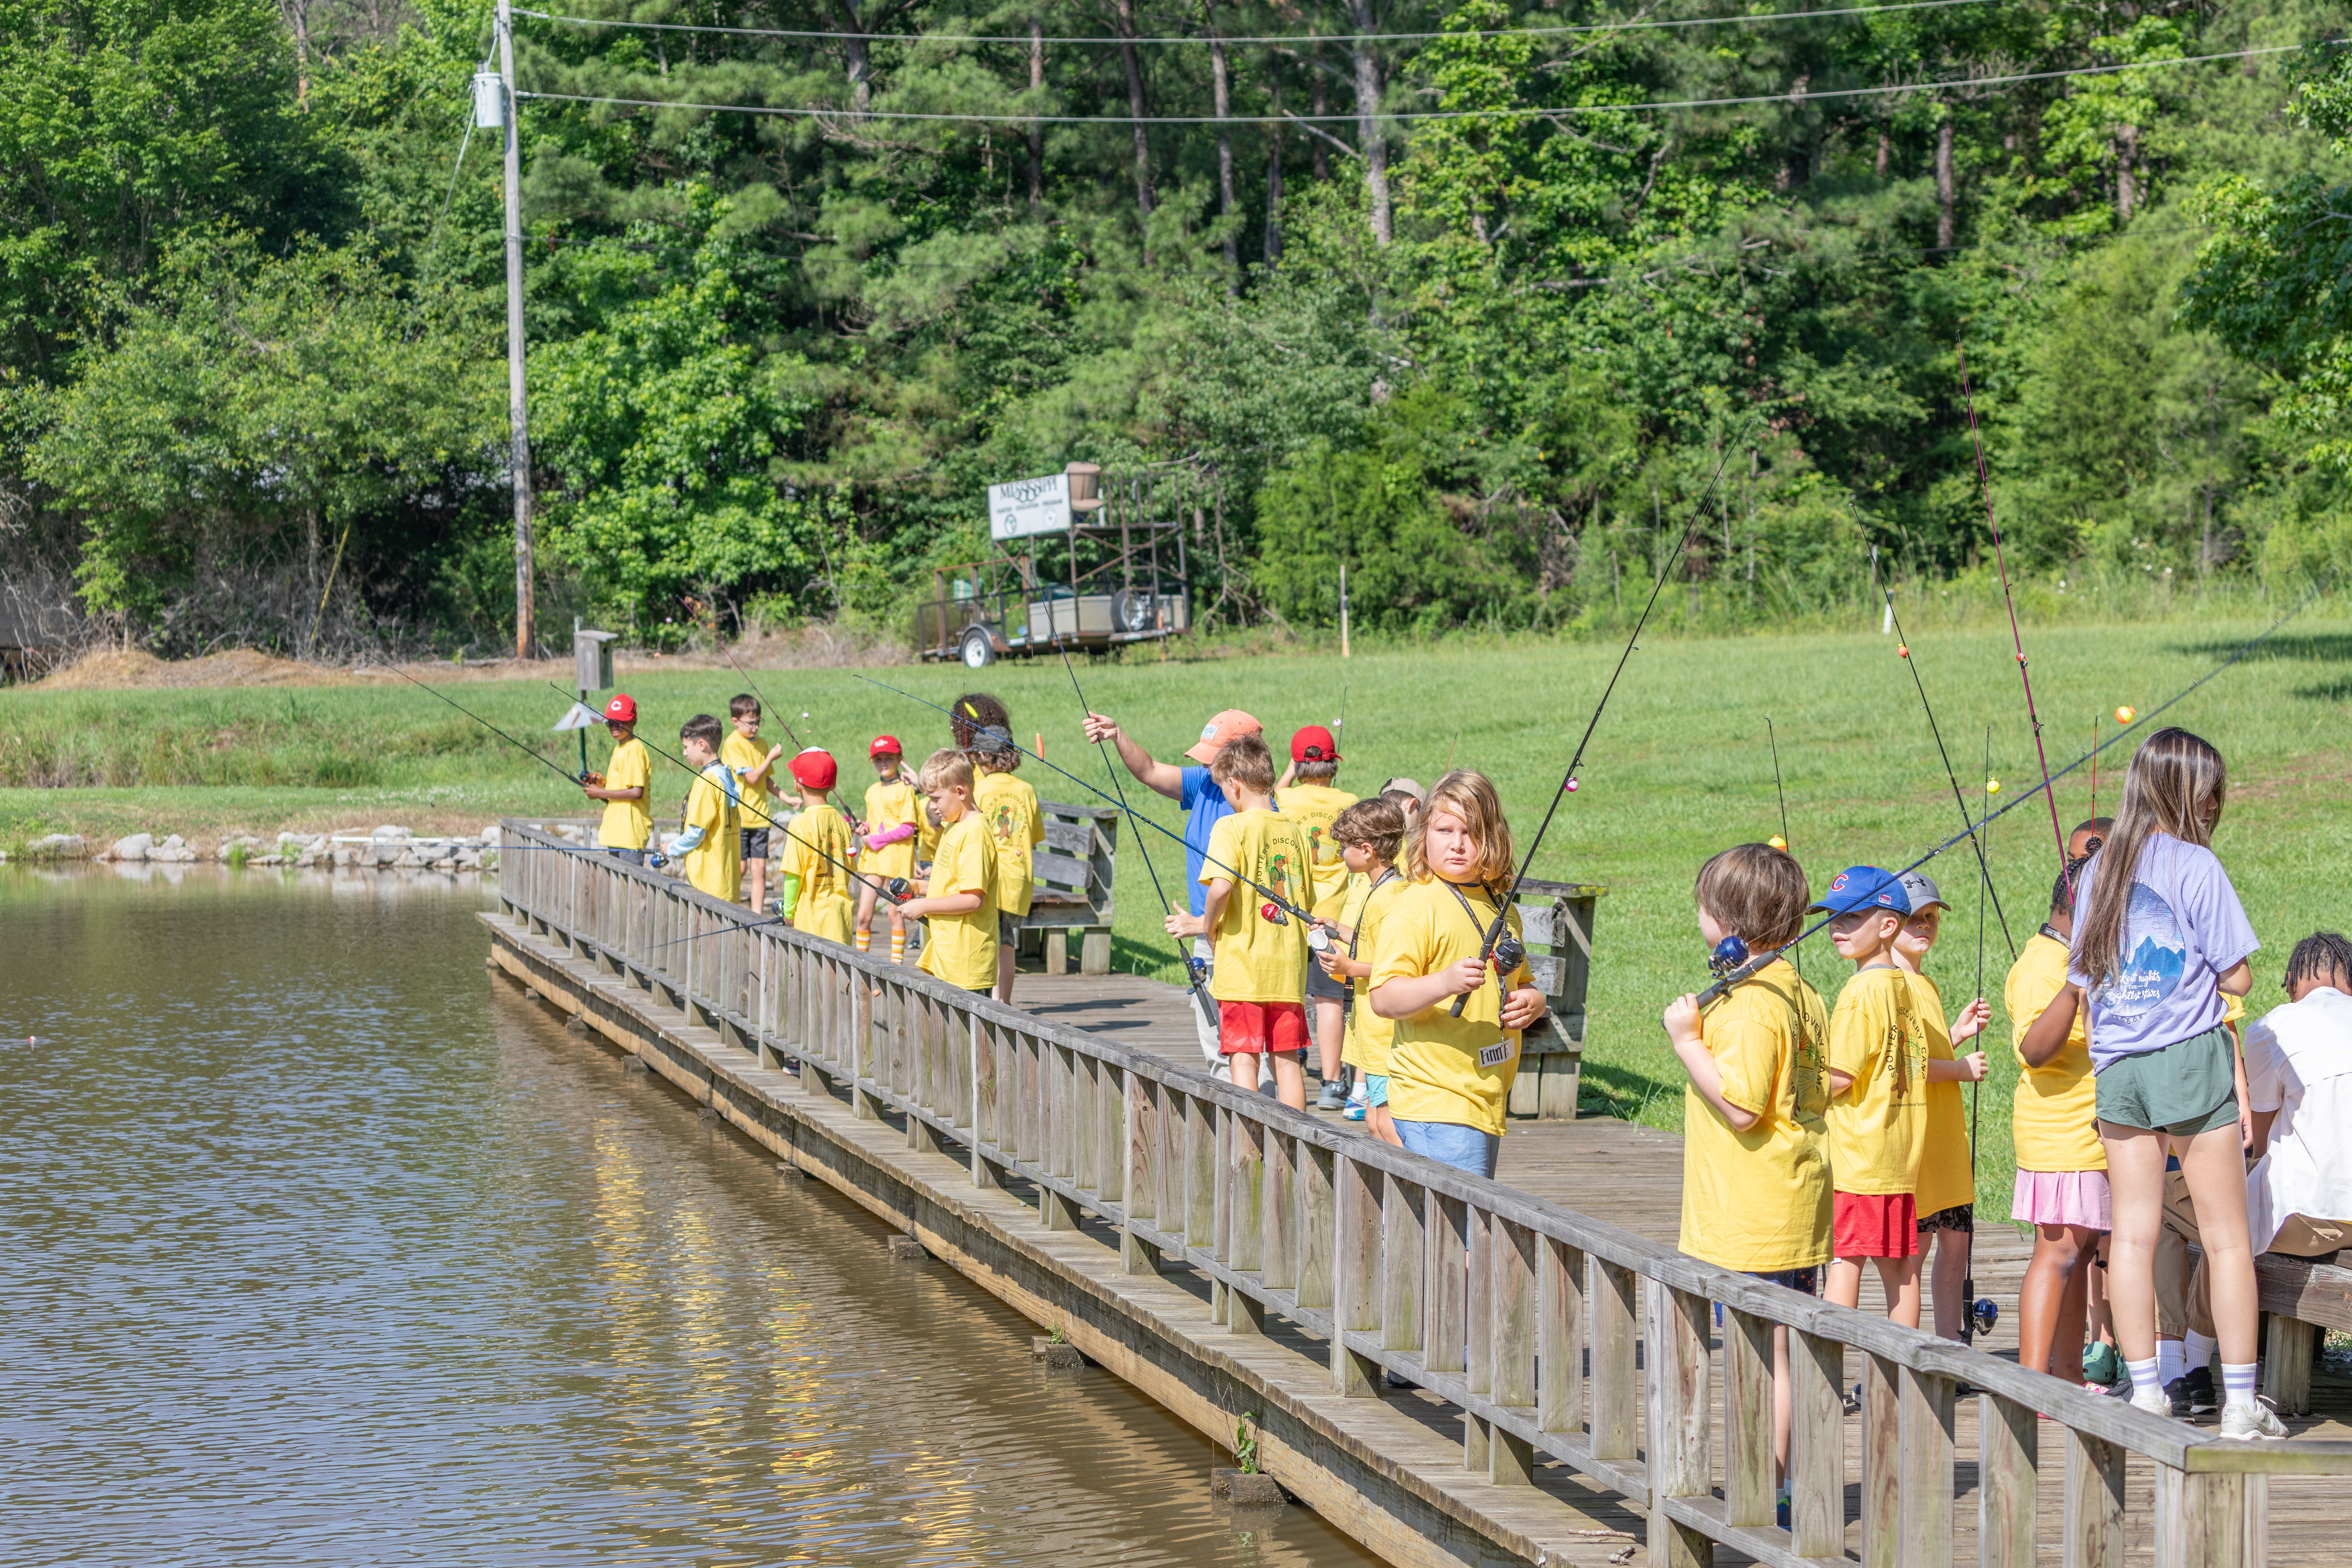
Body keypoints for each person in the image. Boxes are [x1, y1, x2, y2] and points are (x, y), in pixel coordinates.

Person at [2060, 728, 2273, 1437]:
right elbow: (2238, 975)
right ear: (2185, 791)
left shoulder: (2096, 870)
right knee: (2226, 1238)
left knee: (2132, 1236)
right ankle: (2240, 1404)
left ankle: (2146, 1391)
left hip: (2120, 1070)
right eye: (2210, 790)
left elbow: (2085, 979)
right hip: (2188, 1058)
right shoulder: (2196, 864)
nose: (2215, 802)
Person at [1662, 841, 1829, 1513]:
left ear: (1727, 923)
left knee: (1762, 1357)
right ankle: (1778, 1483)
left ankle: (1766, 1489)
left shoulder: (1753, 1005)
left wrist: (1687, 1041)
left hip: (1753, 1210)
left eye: (1704, 906)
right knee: (1779, 1350)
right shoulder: (1800, 991)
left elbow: (1742, 1105)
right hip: (1790, 1200)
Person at [1367, 770, 1547, 1179]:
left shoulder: (1502, 908)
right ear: (1424, 835)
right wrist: (1444, 983)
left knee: (1469, 1215)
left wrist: (1534, 1002)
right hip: (1438, 1098)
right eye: (1445, 830)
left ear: (1494, 838)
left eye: (1472, 832)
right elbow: (1384, 997)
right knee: (1463, 1218)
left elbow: (1522, 982)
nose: (1458, 844)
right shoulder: (1417, 907)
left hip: (1485, 1096)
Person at [1082, 707, 1265, 1068]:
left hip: (1238, 937)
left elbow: (1241, 887)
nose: (1207, 765)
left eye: (1215, 758)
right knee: (1218, 1049)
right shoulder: (1206, 782)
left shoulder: (1258, 811)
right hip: (1207, 934)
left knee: (1247, 1049)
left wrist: (1203, 923)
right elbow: (1150, 770)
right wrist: (1117, 735)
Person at [1165, 733, 1316, 1110]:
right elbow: (1306, 898)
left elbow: (1220, 888)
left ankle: (1250, 1137)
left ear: (1234, 784)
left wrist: (1207, 926)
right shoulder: (1295, 832)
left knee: (1244, 1058)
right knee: (1287, 1063)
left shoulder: (1230, 828)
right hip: (1288, 971)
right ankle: (1296, 1137)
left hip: (1243, 971)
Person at [2010, 853, 2111, 1390]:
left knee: (2081, 1256)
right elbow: (2034, 1049)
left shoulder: (2070, 956)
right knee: (2058, 1255)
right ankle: (2033, 1386)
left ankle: (2069, 1380)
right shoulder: (2042, 964)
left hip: (2090, 1139)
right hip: (2061, 1138)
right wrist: (2074, 987)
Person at [1818, 868, 1929, 1326]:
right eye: (1833, 917)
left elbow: (1839, 1076)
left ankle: (1824, 1364)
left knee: (1845, 1260)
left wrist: (1791, 1091)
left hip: (1859, 1159)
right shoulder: (1903, 985)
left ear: (1888, 926)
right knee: (1899, 1267)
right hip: (1895, 1157)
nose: (1837, 927)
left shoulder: (1859, 992)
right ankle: (1904, 1365)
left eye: (1852, 917)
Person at [1890, 871, 1993, 1342]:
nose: (1925, 925)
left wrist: (1955, 1035)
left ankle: (1951, 1349)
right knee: (1916, 1253)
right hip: (1918, 1145)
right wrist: (1960, 1068)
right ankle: (1908, 1351)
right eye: (1914, 918)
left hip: (1947, 1142)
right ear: (1889, 923)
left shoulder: (1923, 983)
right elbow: (1903, 1065)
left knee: (1957, 1246)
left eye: (1932, 917)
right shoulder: (1892, 986)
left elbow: (1926, 1053)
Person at [1319, 797, 1409, 1144]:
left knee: (1387, 1124)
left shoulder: (1388, 896)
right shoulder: (1381, 888)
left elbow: (1397, 965)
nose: (1342, 854)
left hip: (1384, 1032)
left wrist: (1349, 967)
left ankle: (1413, 1178)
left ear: (1367, 850)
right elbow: (1377, 941)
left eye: (1345, 847)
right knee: (1374, 1120)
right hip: (1371, 1030)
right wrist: (1339, 930)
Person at [1278, 725, 1358, 1109]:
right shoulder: (1350, 802)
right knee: (1330, 1001)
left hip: (1292, 915)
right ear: (1333, 765)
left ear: (1297, 765)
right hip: (1333, 918)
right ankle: (1331, 1083)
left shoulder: (1282, 799)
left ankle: (1291, 1059)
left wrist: (1290, 772)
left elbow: (1264, 800)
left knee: (1290, 993)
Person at [957, 693, 1042, 1005]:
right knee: (1007, 946)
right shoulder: (1026, 790)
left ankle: (986, 1005)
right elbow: (1034, 838)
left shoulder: (979, 789)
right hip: (1018, 881)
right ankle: (1003, 1004)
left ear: (981, 756)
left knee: (987, 942)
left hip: (990, 880)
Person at [894, 748, 1000, 994]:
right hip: (948, 954)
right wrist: (919, 887)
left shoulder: (975, 834)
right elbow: (952, 884)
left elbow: (972, 899)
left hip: (966, 963)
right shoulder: (954, 826)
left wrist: (923, 906)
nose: (932, 807)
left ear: (961, 792)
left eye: (936, 799)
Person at [857, 736, 924, 963]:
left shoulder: (906, 790)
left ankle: (897, 966)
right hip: (874, 860)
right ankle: (861, 962)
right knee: (863, 915)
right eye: (878, 759)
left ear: (900, 759)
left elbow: (907, 828)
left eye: (889, 758)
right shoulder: (871, 791)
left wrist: (876, 839)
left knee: (895, 914)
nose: (883, 763)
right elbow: (876, 823)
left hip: (897, 861)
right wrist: (865, 828)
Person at [779, 748, 855, 946]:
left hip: (811, 923)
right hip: (841, 919)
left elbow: (794, 876)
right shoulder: (843, 823)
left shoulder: (800, 824)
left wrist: (788, 913)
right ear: (833, 785)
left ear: (797, 784)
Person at [721, 694, 785, 911]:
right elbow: (752, 778)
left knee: (759, 870)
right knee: (740, 869)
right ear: (736, 721)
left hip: (761, 816)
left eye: (758, 722)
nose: (756, 727)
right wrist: (770, 758)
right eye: (751, 723)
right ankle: (729, 907)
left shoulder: (763, 744)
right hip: (739, 816)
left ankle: (757, 916)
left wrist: (786, 797)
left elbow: (765, 780)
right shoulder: (732, 744)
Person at [671, 713, 742, 902]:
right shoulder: (726, 775)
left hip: (708, 888)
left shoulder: (706, 782)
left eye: (687, 747)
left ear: (702, 745)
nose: (685, 753)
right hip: (728, 884)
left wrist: (669, 848)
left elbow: (696, 833)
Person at [582, 693, 651, 863]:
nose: (614, 727)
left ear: (633, 721)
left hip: (630, 835)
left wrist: (600, 793)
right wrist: (602, 785)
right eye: (610, 723)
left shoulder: (635, 749)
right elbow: (621, 790)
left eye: (620, 723)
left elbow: (636, 793)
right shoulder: (619, 749)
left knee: (630, 882)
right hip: (616, 833)